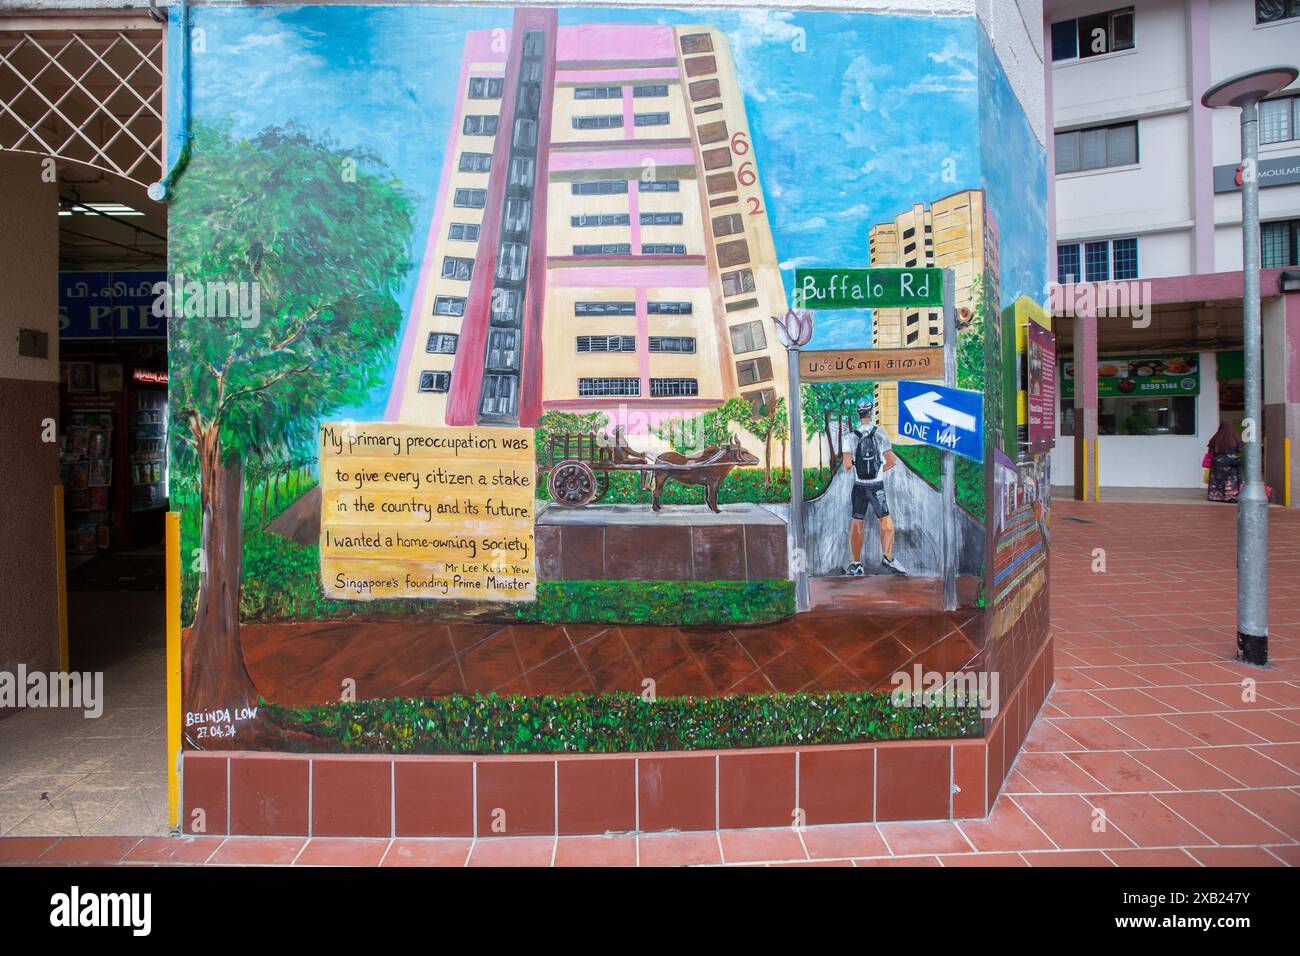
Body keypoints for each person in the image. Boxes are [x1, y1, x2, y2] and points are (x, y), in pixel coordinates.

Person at [843, 397, 903, 575]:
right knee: (885, 520)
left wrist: (857, 466)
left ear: (858, 414)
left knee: (857, 522)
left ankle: (856, 564)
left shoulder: (850, 437)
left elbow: (847, 466)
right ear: (870, 413)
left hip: (859, 486)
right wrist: (878, 470)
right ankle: (888, 557)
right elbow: (891, 461)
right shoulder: (881, 433)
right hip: (877, 486)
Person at [1204, 422, 1243, 503]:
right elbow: (1240, 449)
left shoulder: (1216, 438)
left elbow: (1210, 450)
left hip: (1217, 463)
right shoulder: (1235, 437)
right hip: (1232, 463)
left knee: (1216, 478)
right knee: (1232, 479)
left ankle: (1215, 496)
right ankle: (1231, 496)